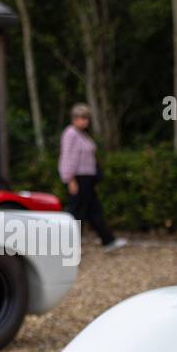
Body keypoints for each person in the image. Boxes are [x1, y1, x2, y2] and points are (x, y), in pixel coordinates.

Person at [59, 103, 126, 253]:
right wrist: (69, 179)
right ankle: (70, 246)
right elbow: (67, 157)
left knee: (94, 211)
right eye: (82, 118)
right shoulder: (71, 134)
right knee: (76, 213)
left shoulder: (82, 135)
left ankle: (108, 241)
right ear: (74, 118)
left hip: (88, 179)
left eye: (86, 118)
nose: (85, 121)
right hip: (78, 178)